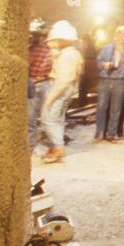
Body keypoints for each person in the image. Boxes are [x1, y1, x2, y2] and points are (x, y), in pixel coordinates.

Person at [39, 20, 83, 164]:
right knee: (58, 119)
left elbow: (63, 80)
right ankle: (57, 145)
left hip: (60, 89)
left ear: (63, 39)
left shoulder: (66, 56)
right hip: (67, 89)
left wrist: (50, 98)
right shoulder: (73, 53)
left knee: (48, 118)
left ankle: (58, 147)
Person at [95, 25, 124, 143]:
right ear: (115, 35)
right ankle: (100, 131)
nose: (121, 35)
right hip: (106, 78)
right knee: (101, 106)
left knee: (116, 108)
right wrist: (105, 65)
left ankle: (111, 134)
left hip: (121, 80)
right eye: (119, 32)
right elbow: (99, 61)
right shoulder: (107, 48)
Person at [27, 18, 52, 151]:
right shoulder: (47, 49)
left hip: (40, 82)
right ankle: (32, 144)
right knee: (36, 116)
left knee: (37, 117)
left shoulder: (44, 49)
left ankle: (34, 144)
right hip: (39, 83)